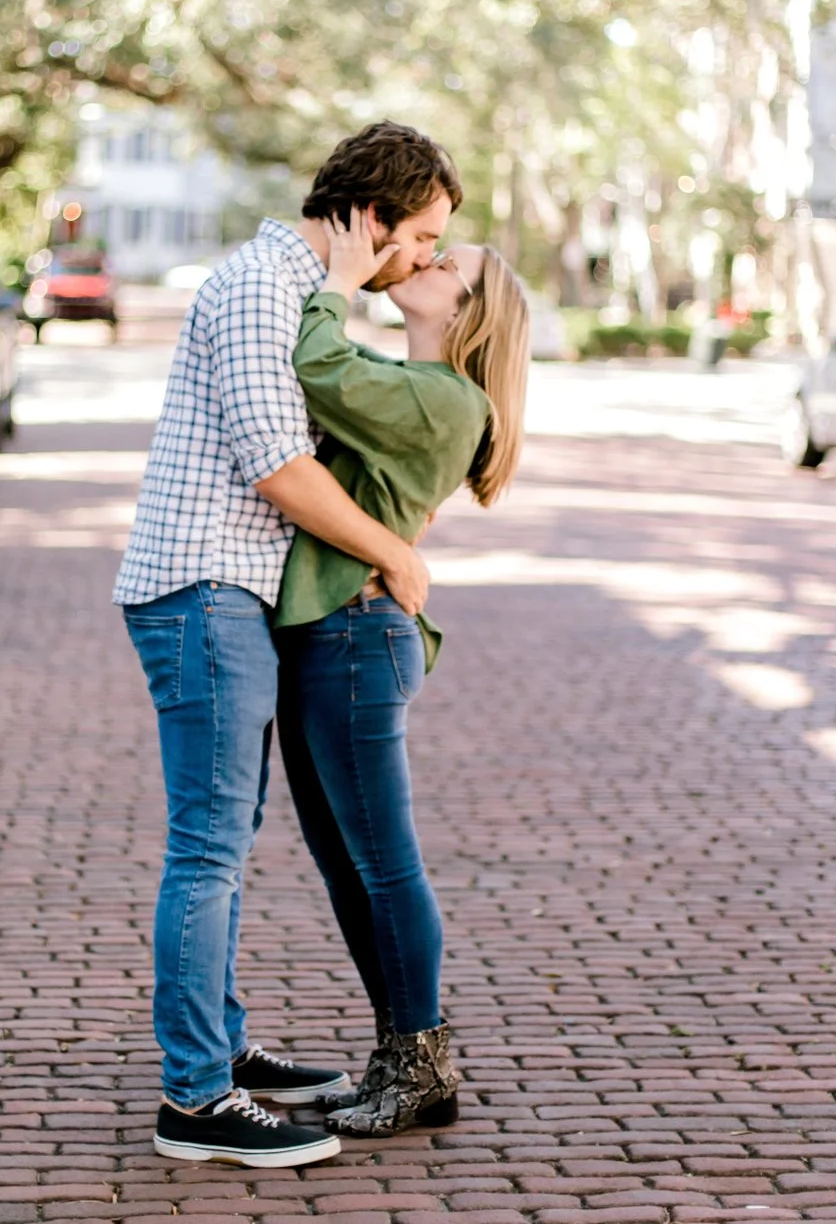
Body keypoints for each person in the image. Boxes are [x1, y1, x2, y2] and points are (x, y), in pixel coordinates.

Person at [113, 121, 462, 1169]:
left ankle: (218, 1050)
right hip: (203, 587)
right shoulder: (265, 286)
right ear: (368, 216)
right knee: (209, 845)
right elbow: (277, 464)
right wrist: (395, 557)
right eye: (421, 234)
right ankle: (196, 1098)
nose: (426, 256)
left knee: (225, 833)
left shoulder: (296, 291)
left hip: (224, 592)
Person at [272, 214, 528, 1137]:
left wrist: (338, 276)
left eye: (442, 259)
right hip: (327, 635)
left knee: (383, 864)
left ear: (467, 311)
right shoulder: (415, 384)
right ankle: (398, 1055)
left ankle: (423, 1061)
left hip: (355, 638)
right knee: (347, 863)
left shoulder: (448, 397)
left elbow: (314, 361)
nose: (420, 256)